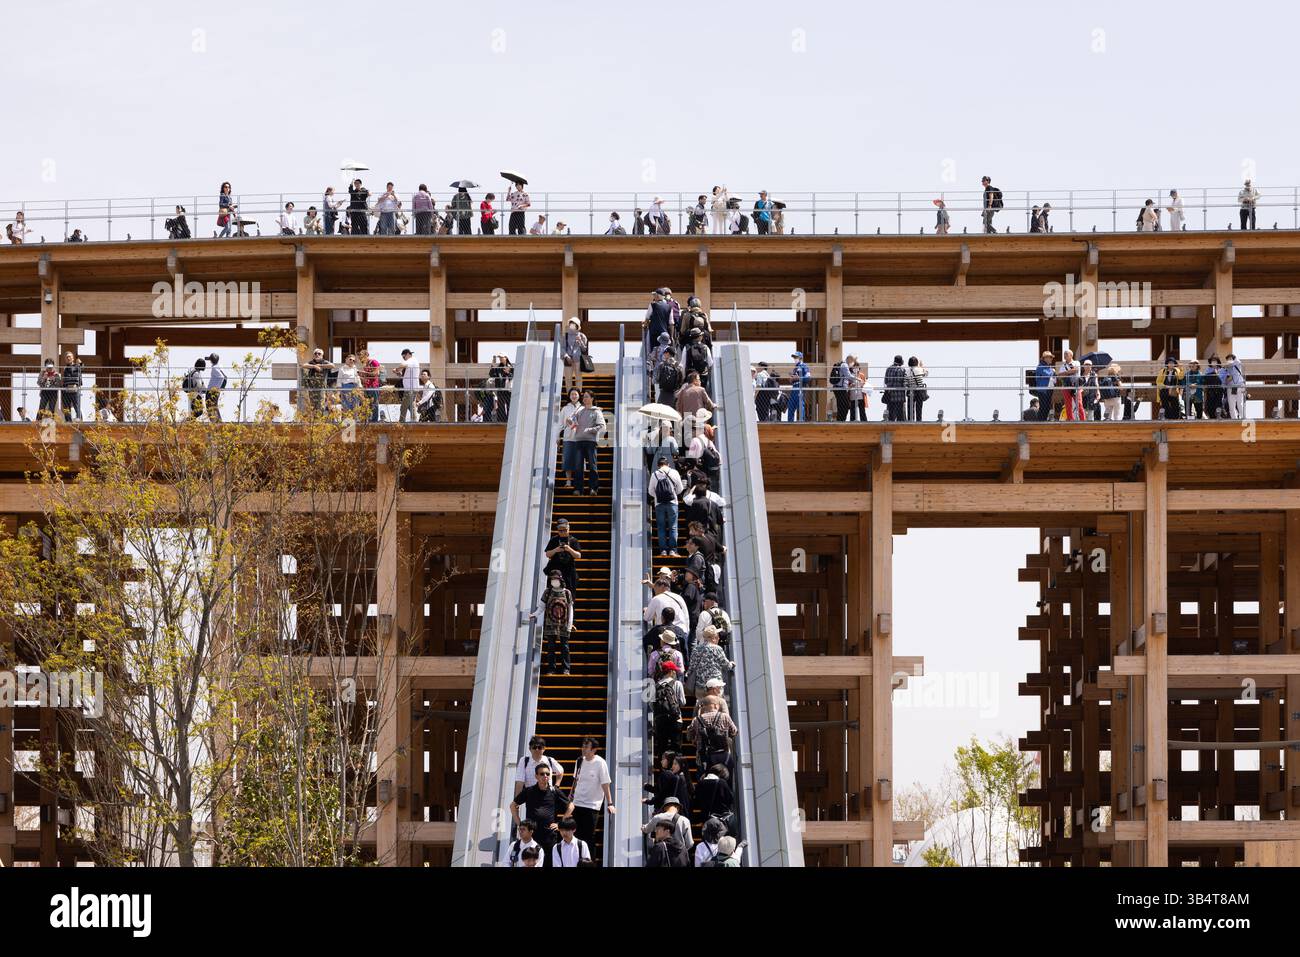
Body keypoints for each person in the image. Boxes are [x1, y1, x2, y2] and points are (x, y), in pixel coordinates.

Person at [510, 763, 572, 867]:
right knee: (531, 863)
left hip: (549, 836)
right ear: (536, 776)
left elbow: (571, 806)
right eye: (542, 774)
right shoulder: (529, 791)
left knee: (549, 863)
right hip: (532, 835)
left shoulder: (554, 791)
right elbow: (513, 806)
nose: (545, 776)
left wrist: (560, 824)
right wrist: (520, 824)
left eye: (548, 774)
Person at [569, 736, 614, 863]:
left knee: (589, 836)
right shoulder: (579, 760)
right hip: (577, 803)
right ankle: (576, 861)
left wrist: (610, 803)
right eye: (583, 746)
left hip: (592, 805)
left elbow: (605, 784)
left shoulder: (601, 763)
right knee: (576, 835)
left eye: (586, 747)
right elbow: (575, 780)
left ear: (594, 750)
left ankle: (589, 862)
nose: (583, 749)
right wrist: (570, 797)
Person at [531, 571, 574, 675]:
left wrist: (570, 624)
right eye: (552, 579)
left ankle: (566, 668)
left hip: (563, 625)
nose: (554, 581)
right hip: (550, 624)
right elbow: (541, 606)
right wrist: (535, 614)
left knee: (565, 647)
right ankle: (551, 668)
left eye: (556, 578)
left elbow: (570, 609)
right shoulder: (547, 592)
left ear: (560, 579)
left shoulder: (567, 593)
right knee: (551, 647)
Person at [691, 694, 738, 777]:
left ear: (703, 706)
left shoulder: (696, 720)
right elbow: (734, 731)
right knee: (725, 780)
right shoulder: (725, 716)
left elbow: (690, 736)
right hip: (723, 755)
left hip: (704, 757)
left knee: (705, 782)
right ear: (715, 705)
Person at [650, 455, 684, 557]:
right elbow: (680, 488)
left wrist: (658, 496)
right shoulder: (674, 472)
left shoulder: (654, 474)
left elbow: (650, 491)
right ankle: (673, 550)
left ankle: (663, 551)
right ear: (668, 464)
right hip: (673, 502)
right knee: (673, 526)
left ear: (658, 465)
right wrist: (673, 494)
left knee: (661, 527)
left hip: (659, 504)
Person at [686, 625, 734, 696]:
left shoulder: (696, 649)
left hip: (700, 687)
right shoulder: (718, 649)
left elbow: (691, 668)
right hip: (715, 687)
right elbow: (726, 665)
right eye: (717, 636)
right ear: (713, 638)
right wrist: (732, 664)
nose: (719, 637)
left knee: (702, 706)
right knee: (717, 705)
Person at [573, 390, 604, 495]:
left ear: (592, 398)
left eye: (587, 397)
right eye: (584, 397)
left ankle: (593, 488)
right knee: (578, 466)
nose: (584, 399)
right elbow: (573, 421)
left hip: (590, 442)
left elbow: (602, 426)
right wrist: (570, 422)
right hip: (578, 441)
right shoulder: (579, 410)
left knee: (592, 466)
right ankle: (578, 489)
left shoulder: (596, 411)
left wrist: (590, 430)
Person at [651, 660, 686, 756]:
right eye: (674, 671)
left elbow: (652, 705)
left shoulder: (655, 685)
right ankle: (677, 768)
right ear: (670, 671)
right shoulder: (677, 683)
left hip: (660, 720)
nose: (675, 672)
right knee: (676, 746)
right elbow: (683, 702)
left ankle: (662, 768)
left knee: (662, 746)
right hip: (676, 719)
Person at [543, 517, 582, 598]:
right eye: (561, 530)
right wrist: (556, 550)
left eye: (565, 530)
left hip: (569, 573)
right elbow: (547, 554)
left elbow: (578, 555)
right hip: (555, 572)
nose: (563, 532)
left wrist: (569, 549)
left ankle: (570, 610)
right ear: (557, 530)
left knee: (570, 596)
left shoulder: (573, 540)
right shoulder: (554, 540)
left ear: (569, 528)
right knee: (551, 594)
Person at [694, 771, 736, 837]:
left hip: (706, 816)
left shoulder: (700, 784)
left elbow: (696, 801)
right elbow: (730, 799)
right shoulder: (722, 783)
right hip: (721, 816)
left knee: (709, 836)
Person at [300, 348, 335, 413]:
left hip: (321, 387)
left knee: (321, 403)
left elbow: (332, 366)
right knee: (313, 404)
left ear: (322, 355)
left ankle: (319, 420)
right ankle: (314, 420)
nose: (317, 355)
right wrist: (314, 366)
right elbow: (304, 365)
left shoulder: (324, 362)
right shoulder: (312, 362)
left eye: (319, 353)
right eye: (315, 353)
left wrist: (320, 365)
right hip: (312, 387)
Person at [394, 349, 421, 423]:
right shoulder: (413, 362)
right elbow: (404, 377)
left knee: (404, 406)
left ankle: (401, 422)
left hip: (410, 389)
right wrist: (398, 372)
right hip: (412, 387)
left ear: (408, 354)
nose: (403, 358)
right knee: (411, 406)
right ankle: (414, 420)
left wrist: (397, 369)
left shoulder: (411, 360)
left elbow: (403, 365)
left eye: (404, 357)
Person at [562, 317, 588, 392]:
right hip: (568, 359)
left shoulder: (582, 336)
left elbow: (584, 349)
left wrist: (580, 341)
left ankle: (578, 394)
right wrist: (566, 356)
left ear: (577, 325)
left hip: (578, 359)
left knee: (578, 378)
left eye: (574, 324)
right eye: (571, 324)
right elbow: (562, 348)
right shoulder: (565, 336)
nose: (572, 325)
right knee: (568, 379)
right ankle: (569, 395)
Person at [883, 355, 907, 422]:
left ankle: (890, 426)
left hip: (890, 395)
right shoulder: (902, 369)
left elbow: (886, 381)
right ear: (901, 361)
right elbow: (905, 382)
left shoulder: (888, 369)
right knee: (900, 416)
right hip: (900, 396)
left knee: (891, 416)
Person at [1032, 352, 1055, 422]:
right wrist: (1053, 371)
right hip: (1042, 390)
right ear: (1045, 358)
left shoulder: (1048, 367)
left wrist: (1052, 371)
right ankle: (1040, 421)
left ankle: (1043, 420)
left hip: (1048, 389)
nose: (1051, 359)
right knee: (1043, 406)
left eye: (1051, 357)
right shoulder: (1040, 366)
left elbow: (1053, 376)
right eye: (1050, 357)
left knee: (1047, 406)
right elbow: (1047, 374)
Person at [360, 354, 382, 422]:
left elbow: (376, 373)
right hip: (366, 386)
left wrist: (364, 372)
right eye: (360, 358)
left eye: (362, 357)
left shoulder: (374, 362)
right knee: (366, 403)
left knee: (374, 403)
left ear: (366, 356)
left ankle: (374, 420)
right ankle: (367, 419)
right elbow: (366, 376)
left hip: (373, 386)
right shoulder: (365, 365)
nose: (361, 359)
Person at [1224, 353, 1246, 419]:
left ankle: (1243, 418)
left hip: (1239, 387)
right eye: (1228, 359)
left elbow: (1237, 361)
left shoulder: (1237, 364)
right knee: (1231, 406)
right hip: (1230, 388)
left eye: (1231, 358)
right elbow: (1224, 380)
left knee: (1240, 404)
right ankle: (1234, 419)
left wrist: (1230, 362)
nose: (1229, 360)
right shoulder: (1225, 369)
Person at [205, 353, 227, 421]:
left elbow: (221, 377)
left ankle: (215, 422)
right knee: (214, 406)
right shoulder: (219, 366)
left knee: (210, 406)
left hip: (212, 391)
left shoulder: (214, 368)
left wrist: (216, 388)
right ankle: (218, 421)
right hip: (214, 390)